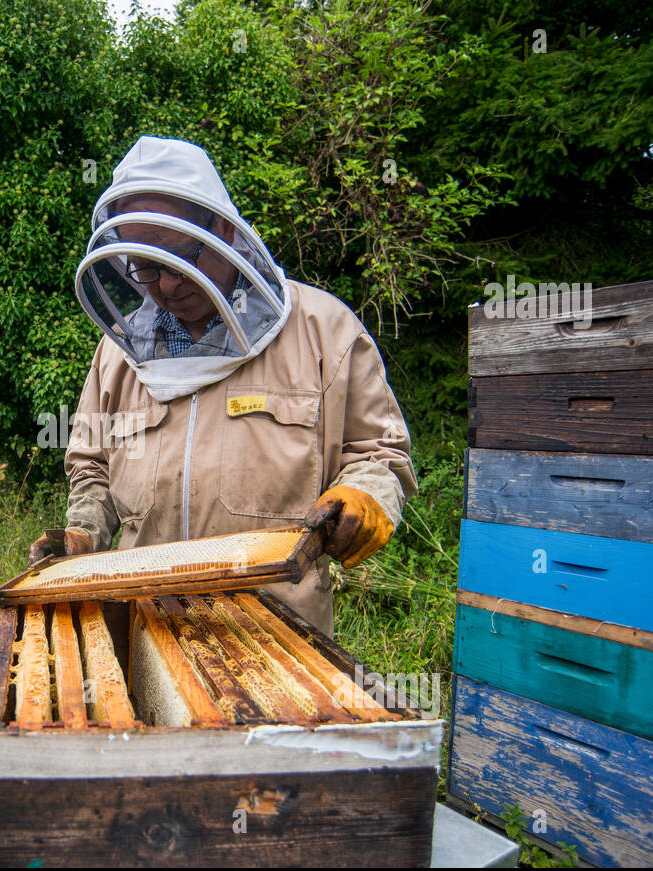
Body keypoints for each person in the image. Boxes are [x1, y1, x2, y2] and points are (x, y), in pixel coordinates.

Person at [30, 136, 416, 639]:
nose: (166, 285)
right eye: (146, 268)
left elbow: (379, 452)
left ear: (226, 231)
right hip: (147, 630)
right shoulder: (117, 354)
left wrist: (363, 495)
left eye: (179, 259)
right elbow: (92, 469)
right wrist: (83, 531)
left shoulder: (325, 331)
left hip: (277, 638)